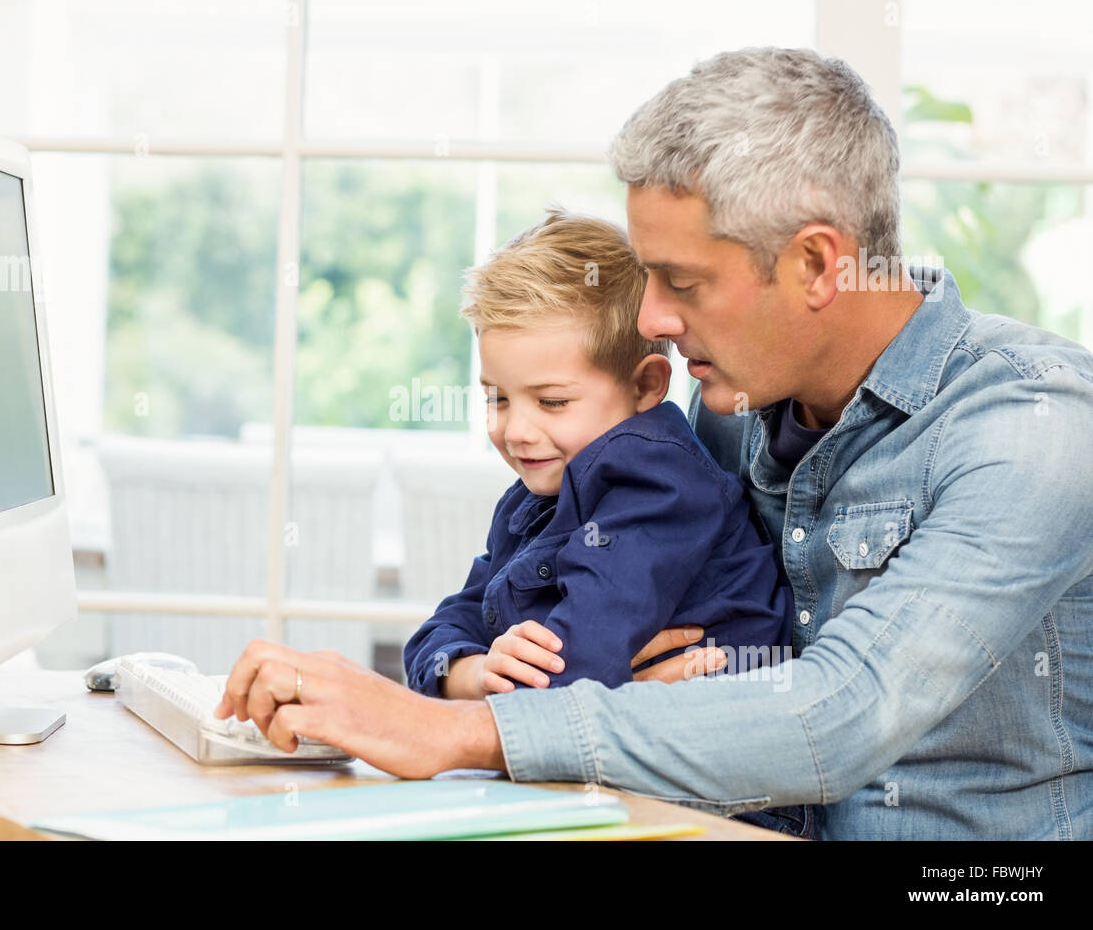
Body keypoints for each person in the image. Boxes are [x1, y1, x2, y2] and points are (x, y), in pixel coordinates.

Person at [217, 47, 1093, 840]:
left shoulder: (1035, 429)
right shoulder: (730, 402)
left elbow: (843, 712)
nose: (651, 322)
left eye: (682, 283)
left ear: (820, 265)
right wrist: (480, 676)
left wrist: (456, 730)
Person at [403, 209, 794, 705]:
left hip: (707, 760)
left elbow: (566, 676)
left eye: (552, 402)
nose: (516, 431)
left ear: (646, 386)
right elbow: (440, 633)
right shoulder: (532, 499)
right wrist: (477, 671)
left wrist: (497, 682)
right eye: (497, 398)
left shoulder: (663, 491)